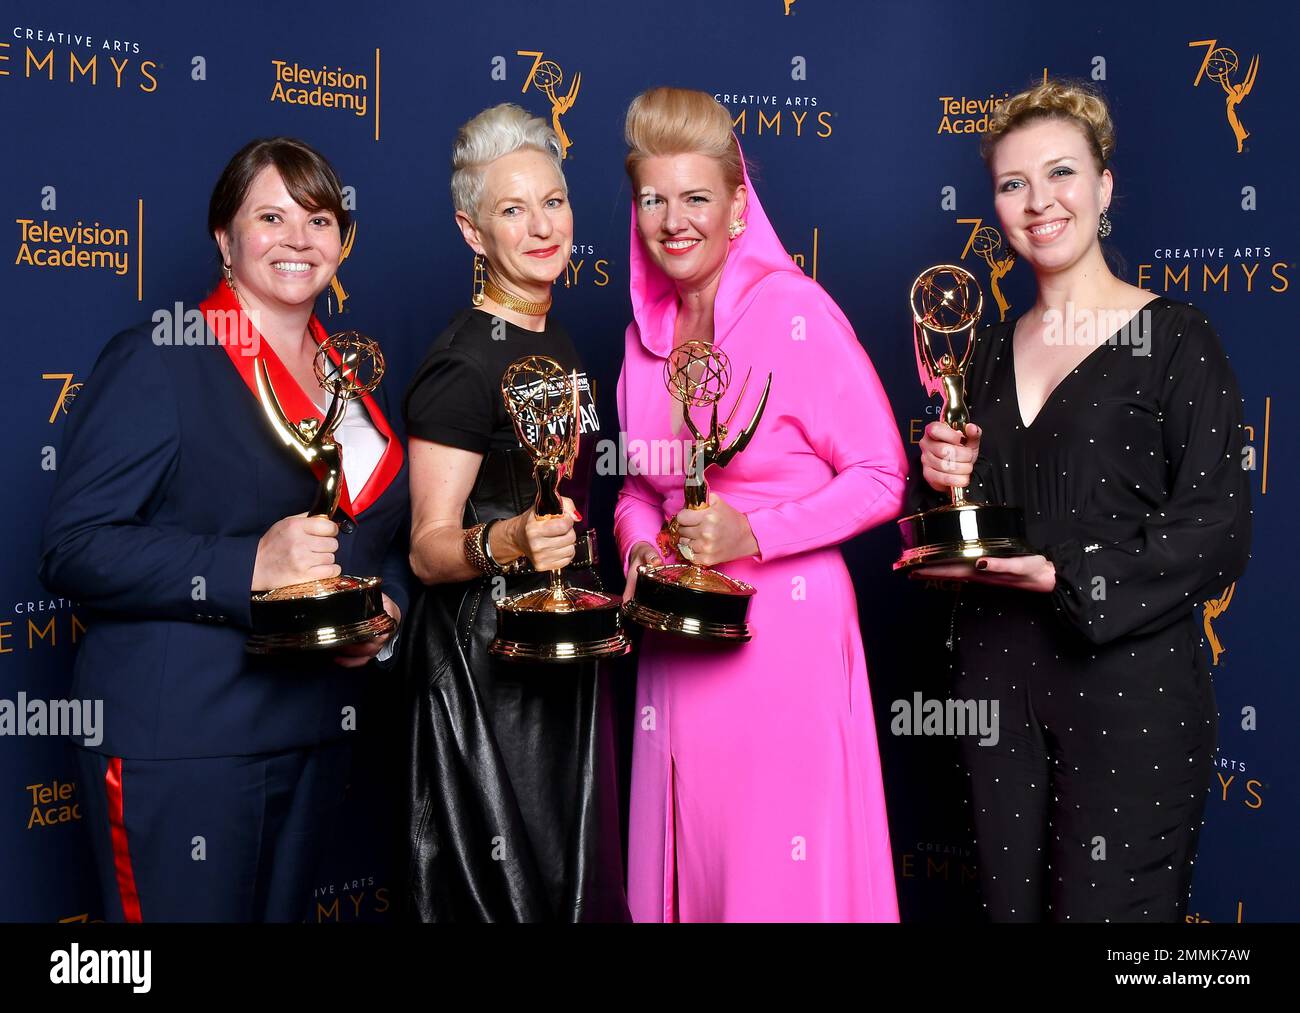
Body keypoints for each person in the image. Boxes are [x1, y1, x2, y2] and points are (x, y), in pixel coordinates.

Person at [39, 137, 409, 922]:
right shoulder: (160, 359)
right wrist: (250, 564)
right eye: (270, 217)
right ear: (225, 239)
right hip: (184, 746)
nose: (298, 238)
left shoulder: (346, 383)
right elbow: (74, 545)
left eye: (318, 219)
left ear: (342, 240)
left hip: (312, 736)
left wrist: (384, 621)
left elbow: (378, 541)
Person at [911, 79, 1251, 922]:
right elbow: (977, 527)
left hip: (1129, 693)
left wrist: (1061, 574)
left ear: (1104, 187)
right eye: (1013, 183)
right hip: (995, 684)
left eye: (1061, 173)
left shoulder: (1174, 338)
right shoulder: (981, 353)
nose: (1039, 202)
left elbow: (1218, 530)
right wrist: (947, 474)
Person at [615, 87, 906, 922]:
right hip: (677, 642)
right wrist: (641, 548)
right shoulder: (646, 336)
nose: (675, 220)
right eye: (654, 198)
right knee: (690, 863)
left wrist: (755, 530)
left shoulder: (794, 312)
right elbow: (640, 486)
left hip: (783, 640)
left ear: (737, 205)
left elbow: (883, 474)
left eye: (696, 197)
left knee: (775, 878)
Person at [399, 103, 628, 922]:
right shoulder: (461, 363)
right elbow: (427, 548)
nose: (540, 227)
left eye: (554, 202)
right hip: (485, 668)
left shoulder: (555, 335)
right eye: (511, 209)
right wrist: (511, 540)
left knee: (571, 889)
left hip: (561, 653)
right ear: (472, 232)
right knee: (506, 897)